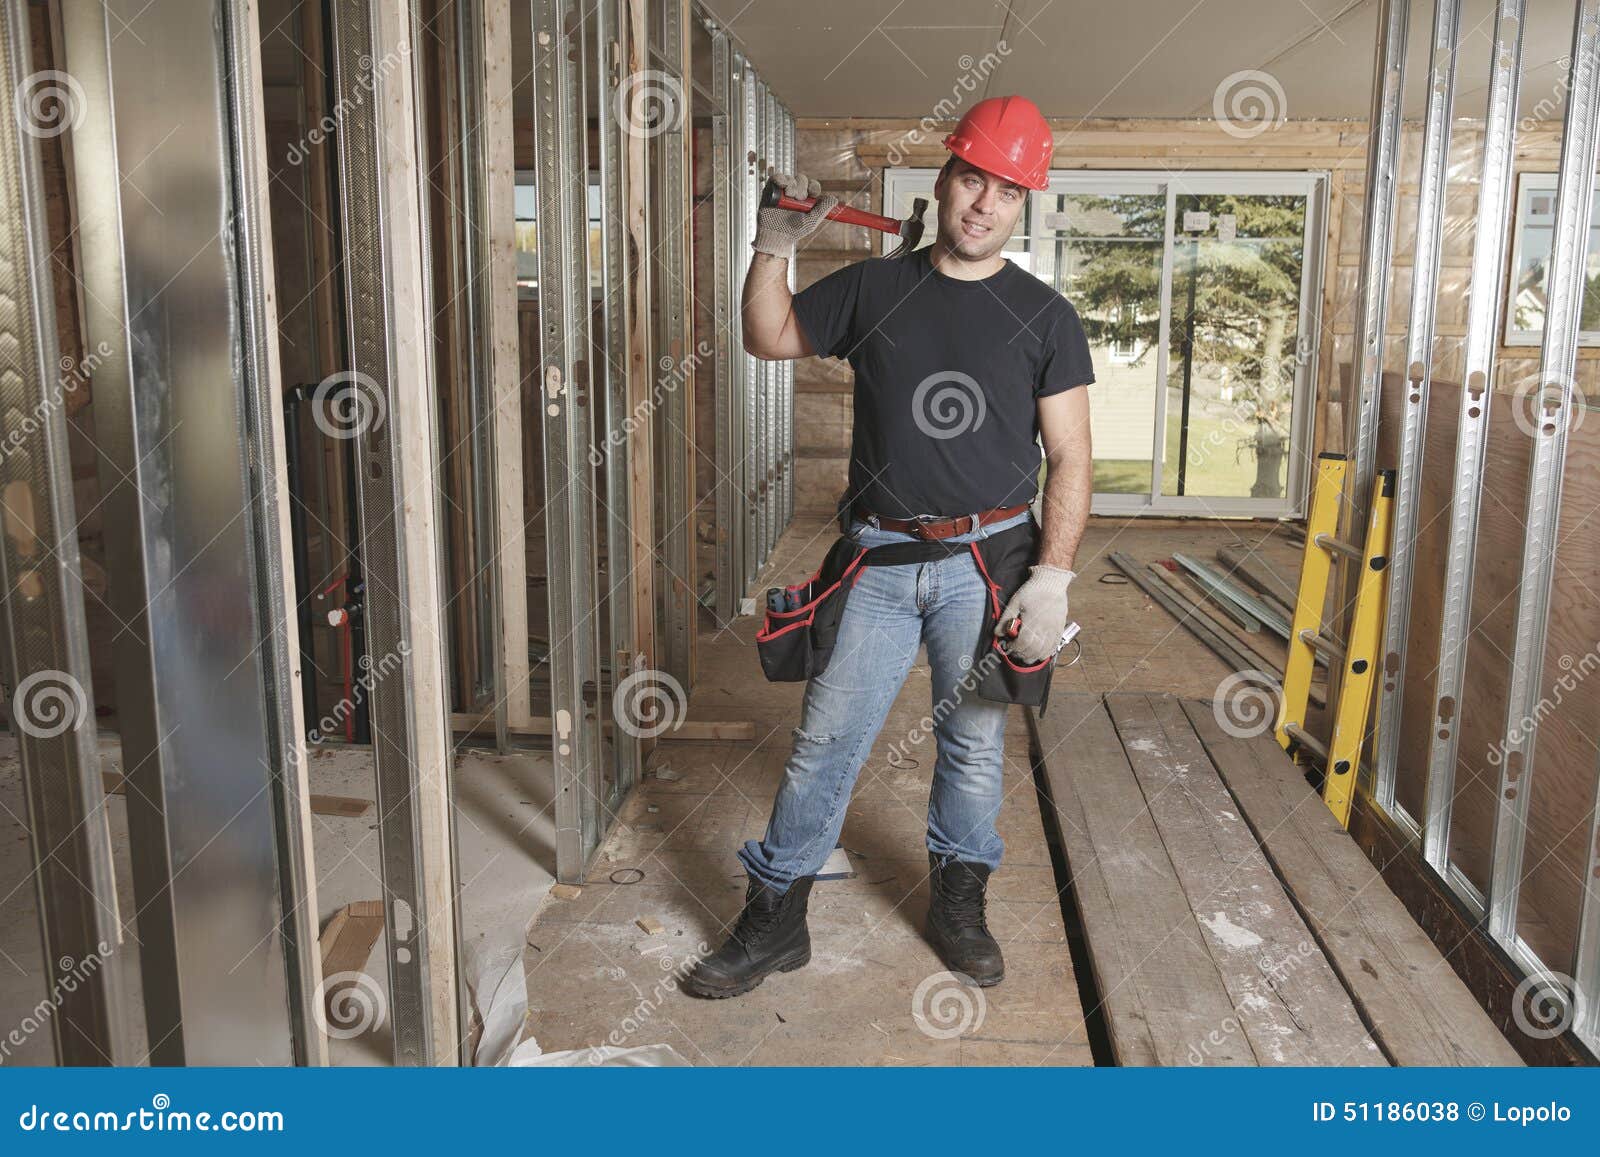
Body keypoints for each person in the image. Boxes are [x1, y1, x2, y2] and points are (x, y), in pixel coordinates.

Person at [684, 95, 1094, 999]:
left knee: (973, 744)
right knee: (825, 742)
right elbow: (767, 334)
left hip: (987, 563)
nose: (986, 205)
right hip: (877, 559)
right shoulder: (874, 288)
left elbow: (1070, 455)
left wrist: (1053, 577)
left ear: (1024, 205)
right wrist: (773, 245)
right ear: (944, 180)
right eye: (974, 181)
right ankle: (776, 921)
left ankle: (959, 905)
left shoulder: (1045, 316)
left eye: (1009, 192)